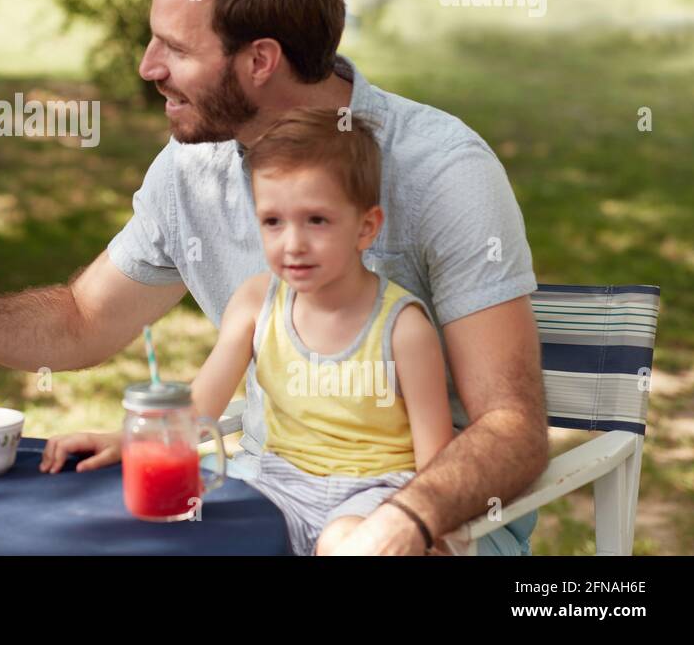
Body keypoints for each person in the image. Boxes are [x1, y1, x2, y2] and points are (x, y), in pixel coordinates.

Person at [0, 0, 547, 555]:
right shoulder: (193, 167)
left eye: (174, 48)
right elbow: (84, 319)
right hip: (266, 497)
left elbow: (511, 426)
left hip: (431, 519)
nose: (148, 67)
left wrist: (401, 522)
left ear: (260, 61)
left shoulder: (439, 171)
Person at [41, 108, 457, 555]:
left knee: (347, 544)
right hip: (276, 489)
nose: (292, 243)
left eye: (316, 220)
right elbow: (198, 409)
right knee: (181, 534)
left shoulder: (403, 328)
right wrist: (129, 440)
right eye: (273, 222)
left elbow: (436, 461)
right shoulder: (258, 303)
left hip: (375, 496)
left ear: (365, 227)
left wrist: (425, 530)